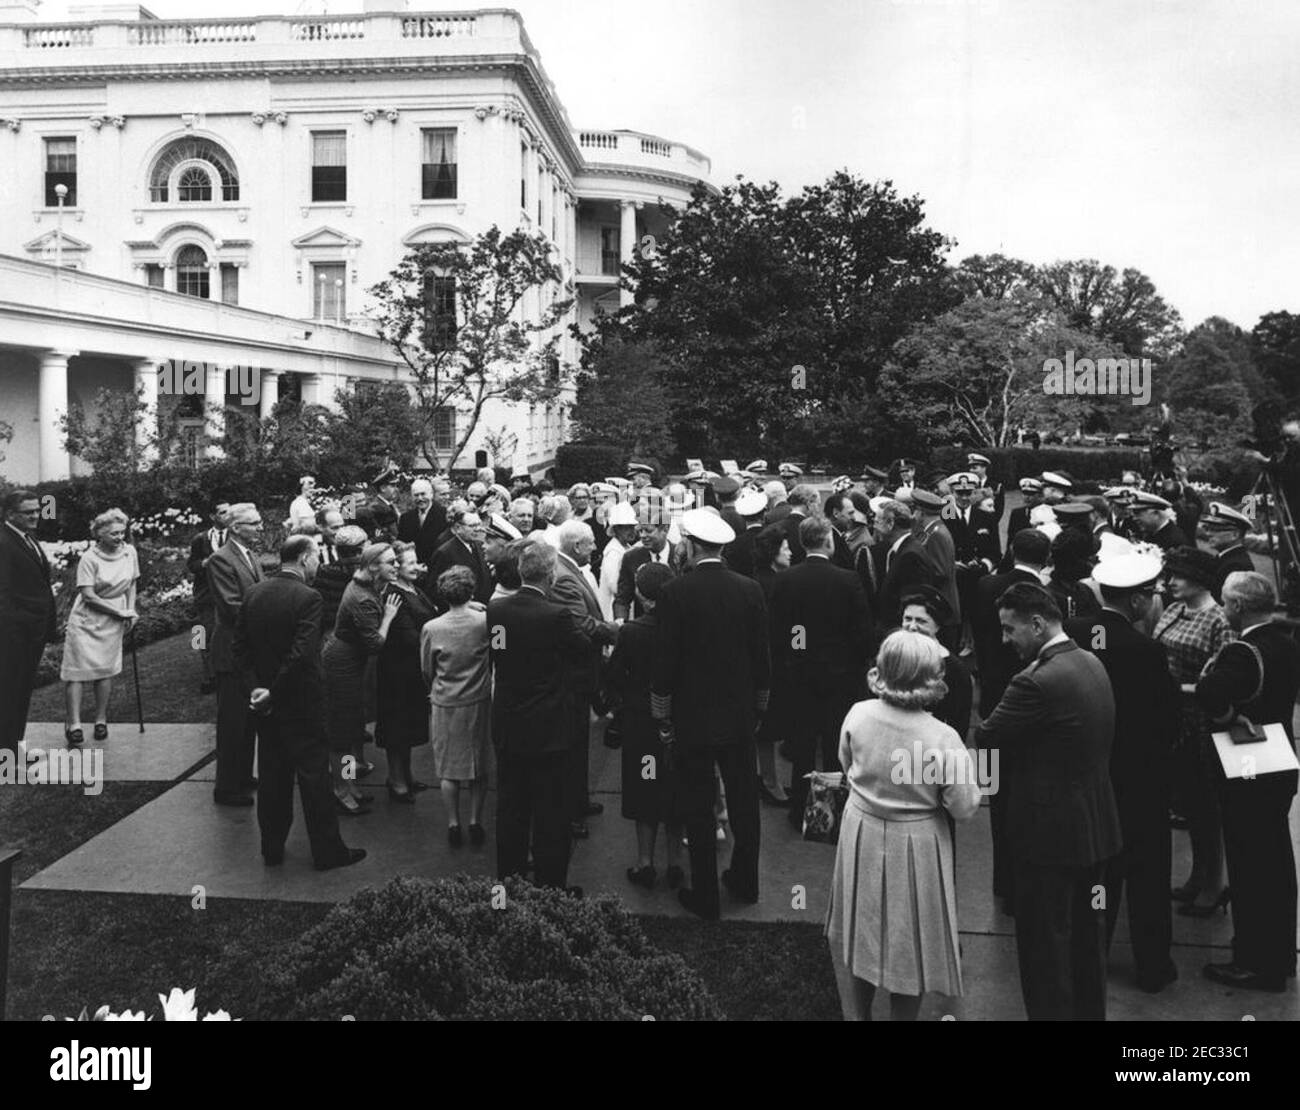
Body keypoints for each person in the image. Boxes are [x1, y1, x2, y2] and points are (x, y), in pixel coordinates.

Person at [975, 583, 1122, 1020]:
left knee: (1044, 953)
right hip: (1093, 828)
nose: (1004, 639)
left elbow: (987, 736)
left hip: (1047, 839)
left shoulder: (1034, 681)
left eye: (1010, 628)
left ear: (1037, 624)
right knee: (1084, 945)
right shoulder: (1090, 661)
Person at [826, 631, 981, 1020]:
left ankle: (859, 1017)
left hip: (860, 828)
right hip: (917, 841)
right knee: (907, 946)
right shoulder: (943, 738)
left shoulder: (858, 714)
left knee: (862, 933)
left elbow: (846, 765)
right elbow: (963, 806)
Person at [1065, 552, 1179, 993]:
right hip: (1141, 783)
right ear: (1137, 601)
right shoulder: (1148, 651)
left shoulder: (1077, 632)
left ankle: (1090, 954)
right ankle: (1152, 965)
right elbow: (1166, 720)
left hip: (1088, 779)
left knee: (1097, 878)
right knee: (1147, 878)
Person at [652, 509, 770, 920]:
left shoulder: (674, 592)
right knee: (743, 804)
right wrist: (758, 707)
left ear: (690, 545)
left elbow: (664, 663)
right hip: (738, 715)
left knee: (698, 806)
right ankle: (746, 880)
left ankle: (705, 895)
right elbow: (762, 658)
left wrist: (663, 716)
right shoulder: (750, 590)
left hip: (692, 718)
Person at [234, 535, 365, 871]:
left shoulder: (253, 593)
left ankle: (272, 848)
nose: (319, 564)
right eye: (317, 557)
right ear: (306, 557)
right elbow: (302, 655)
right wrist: (274, 692)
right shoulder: (309, 597)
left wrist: (257, 692)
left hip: (265, 706)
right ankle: (328, 852)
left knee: (273, 778)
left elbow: (241, 651)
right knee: (314, 779)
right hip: (300, 704)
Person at [1197, 571, 1300, 992]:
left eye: (1225, 601)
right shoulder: (1286, 642)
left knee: (1250, 862)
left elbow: (1209, 692)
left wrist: (1226, 718)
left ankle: (1254, 961)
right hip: (1279, 755)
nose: (1222, 608)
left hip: (1247, 761)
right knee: (1275, 860)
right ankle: (1279, 955)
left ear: (1238, 607)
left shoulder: (1243, 650)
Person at [490, 540, 593, 891]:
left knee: (511, 810)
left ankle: (509, 882)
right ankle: (551, 887)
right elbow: (582, 649)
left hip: (509, 723)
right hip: (549, 727)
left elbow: (498, 653)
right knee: (552, 813)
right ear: (550, 574)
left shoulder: (497, 611)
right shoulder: (556, 615)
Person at [770, 516, 872, 825]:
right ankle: (826, 812)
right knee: (833, 747)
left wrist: (796, 655)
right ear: (828, 540)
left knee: (801, 745)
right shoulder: (848, 579)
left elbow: (782, 631)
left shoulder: (786, 580)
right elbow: (861, 633)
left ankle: (799, 806)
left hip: (799, 676)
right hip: (839, 679)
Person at [971, 527, 1050, 912]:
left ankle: (1004, 881)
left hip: (991, 702)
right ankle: (1027, 883)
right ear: (1045, 559)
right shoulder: (1051, 597)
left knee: (997, 798)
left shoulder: (987, 585)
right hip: (1034, 709)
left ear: (1012, 551)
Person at [1152, 546, 1233, 917]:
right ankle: (1198, 877)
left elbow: (1221, 680)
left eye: (1178, 576)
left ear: (1199, 579)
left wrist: (1178, 690)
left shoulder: (1220, 620)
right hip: (1172, 718)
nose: (1170, 582)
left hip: (1200, 723)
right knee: (1187, 802)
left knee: (1207, 806)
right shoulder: (1172, 610)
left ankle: (1214, 884)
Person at [604, 561, 684, 889]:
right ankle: (675, 862)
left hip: (642, 727)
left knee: (645, 789)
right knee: (677, 790)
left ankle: (645, 861)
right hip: (678, 724)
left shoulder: (632, 632)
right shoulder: (685, 629)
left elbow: (613, 677)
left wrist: (619, 706)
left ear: (640, 593)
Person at [551, 520, 620, 837]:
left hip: (580, 675)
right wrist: (619, 632)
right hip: (574, 677)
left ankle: (577, 801)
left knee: (579, 744)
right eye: (591, 543)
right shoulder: (565, 578)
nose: (595, 548)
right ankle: (567, 813)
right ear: (577, 546)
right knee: (570, 748)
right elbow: (581, 626)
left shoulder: (569, 569)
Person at [323, 543, 402, 816]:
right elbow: (375, 643)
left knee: (349, 727)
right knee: (341, 734)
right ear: (372, 567)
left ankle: (348, 784)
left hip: (349, 661)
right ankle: (341, 789)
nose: (397, 566)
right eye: (391, 562)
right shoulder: (362, 598)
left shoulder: (365, 586)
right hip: (342, 665)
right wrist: (389, 617)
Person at [420, 565, 492, 847]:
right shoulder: (484, 622)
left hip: (445, 700)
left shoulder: (431, 628)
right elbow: (500, 646)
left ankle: (453, 822)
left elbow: (427, 668)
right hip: (478, 698)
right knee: (479, 764)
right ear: (471, 591)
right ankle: (476, 820)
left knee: (448, 768)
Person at [60, 509, 140, 744]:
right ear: (100, 534)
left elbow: (132, 584)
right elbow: (88, 595)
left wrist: (131, 610)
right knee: (76, 671)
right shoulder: (89, 558)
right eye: (114, 533)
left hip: (115, 618)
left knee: (105, 670)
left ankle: (101, 720)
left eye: (122, 532)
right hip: (87, 618)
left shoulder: (129, 552)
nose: (120, 537)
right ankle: (74, 723)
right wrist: (119, 611)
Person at [207, 503, 266, 807]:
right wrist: (270, 615)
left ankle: (242, 774)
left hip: (247, 651)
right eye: (254, 524)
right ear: (236, 528)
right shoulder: (220, 560)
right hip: (231, 652)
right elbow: (232, 607)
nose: (260, 528)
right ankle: (226, 787)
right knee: (232, 722)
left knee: (247, 720)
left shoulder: (250, 555)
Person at [376, 542, 436, 802]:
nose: (416, 566)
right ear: (397, 566)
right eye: (410, 563)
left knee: (409, 726)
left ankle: (407, 774)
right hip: (398, 671)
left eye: (416, 561)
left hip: (413, 671)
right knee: (396, 728)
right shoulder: (394, 594)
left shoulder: (413, 588)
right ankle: (396, 779)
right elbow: (408, 637)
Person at [0, 490, 58, 756]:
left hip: (31, 634)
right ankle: (7, 755)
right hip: (14, 637)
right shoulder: (4, 542)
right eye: (28, 512)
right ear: (10, 514)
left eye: (37, 510)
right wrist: (16, 629)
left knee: (21, 691)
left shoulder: (25, 539)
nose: (36, 515)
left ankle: (15, 748)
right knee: (10, 693)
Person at [897, 587, 971, 738]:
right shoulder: (892, 657)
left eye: (921, 621)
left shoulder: (954, 670)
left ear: (937, 626)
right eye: (907, 619)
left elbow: (958, 726)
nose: (912, 626)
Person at [187, 498, 230, 694]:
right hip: (206, 595)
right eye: (222, 512)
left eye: (229, 512)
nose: (227, 516)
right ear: (212, 516)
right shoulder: (200, 539)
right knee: (203, 635)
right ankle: (207, 675)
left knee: (228, 635)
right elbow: (191, 565)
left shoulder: (236, 536)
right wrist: (204, 564)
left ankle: (227, 673)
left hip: (228, 593)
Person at [427, 507, 493, 606]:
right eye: (472, 526)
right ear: (458, 528)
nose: (477, 529)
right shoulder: (444, 553)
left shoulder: (479, 545)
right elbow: (434, 590)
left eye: (478, 524)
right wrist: (465, 604)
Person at [614, 517, 672, 621]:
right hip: (644, 630)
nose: (642, 536)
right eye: (640, 531)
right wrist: (620, 622)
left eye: (648, 531)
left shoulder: (681, 555)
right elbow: (622, 599)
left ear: (665, 529)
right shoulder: (631, 558)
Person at [314, 525, 367, 633]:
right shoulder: (372, 572)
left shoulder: (323, 573)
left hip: (333, 632)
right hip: (365, 630)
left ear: (337, 550)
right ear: (362, 550)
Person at [1046, 528, 1102, 621]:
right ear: (1075, 562)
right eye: (1091, 558)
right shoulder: (1050, 599)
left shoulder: (1085, 591)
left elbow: (1099, 630)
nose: (1097, 561)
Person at [1197, 502, 1255, 589]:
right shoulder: (1226, 557)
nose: (1208, 533)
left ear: (1235, 535)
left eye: (1216, 529)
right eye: (1208, 528)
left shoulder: (1237, 567)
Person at [596, 501, 638, 620]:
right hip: (613, 612)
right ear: (617, 529)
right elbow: (615, 586)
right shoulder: (613, 553)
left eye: (632, 526)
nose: (631, 531)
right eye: (627, 527)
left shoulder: (628, 548)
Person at [397, 477, 448, 569]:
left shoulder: (444, 515)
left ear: (431, 494)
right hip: (413, 569)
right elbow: (402, 544)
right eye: (416, 495)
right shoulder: (406, 518)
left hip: (437, 567)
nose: (420, 498)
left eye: (423, 494)